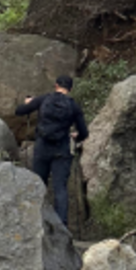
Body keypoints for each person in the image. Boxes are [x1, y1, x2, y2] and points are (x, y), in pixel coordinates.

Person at [14, 74, 89, 227]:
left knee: (38, 184)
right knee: (60, 187)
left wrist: (29, 103)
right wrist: (75, 136)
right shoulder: (73, 106)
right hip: (61, 150)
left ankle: (35, 222)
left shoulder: (43, 99)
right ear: (71, 89)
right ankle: (61, 225)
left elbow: (19, 111)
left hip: (42, 148)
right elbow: (84, 133)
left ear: (55, 86)